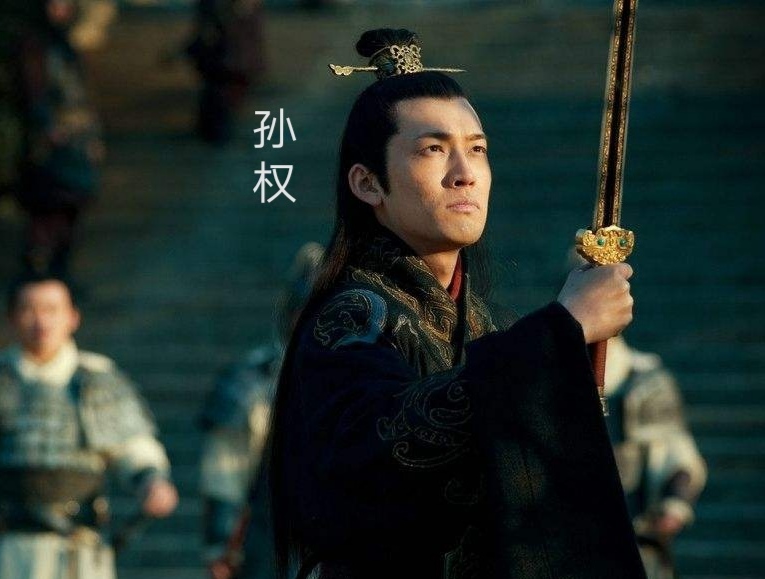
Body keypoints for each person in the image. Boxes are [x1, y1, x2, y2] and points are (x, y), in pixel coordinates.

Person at [267, 29, 647, 578]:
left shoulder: (482, 322)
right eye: (433, 149)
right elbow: (383, 447)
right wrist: (559, 333)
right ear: (369, 183)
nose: (465, 174)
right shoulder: (352, 316)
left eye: (477, 149)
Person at [0, 274, 178, 579]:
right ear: (12, 317)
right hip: (4, 548)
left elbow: (134, 449)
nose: (41, 321)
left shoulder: (98, 380)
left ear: (73, 317)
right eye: (29, 309)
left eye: (51, 310)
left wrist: (151, 481)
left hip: (80, 548)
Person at [199, 242, 323, 579]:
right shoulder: (253, 380)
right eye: (308, 311)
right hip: (268, 537)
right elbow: (225, 471)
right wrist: (221, 543)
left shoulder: (370, 375)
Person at [603, 336, 707, 579]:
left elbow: (677, 454)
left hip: (637, 532)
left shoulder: (646, 379)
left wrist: (674, 503)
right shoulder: (544, 376)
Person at [16, 0, 104, 278]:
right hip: (50, 145)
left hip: (76, 140)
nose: (59, 11)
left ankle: (61, 275)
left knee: (71, 209)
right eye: (54, 4)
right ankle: (40, 279)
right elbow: (33, 93)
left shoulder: (67, 47)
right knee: (47, 212)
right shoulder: (35, 47)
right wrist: (47, 127)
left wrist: (92, 137)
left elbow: (81, 95)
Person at [186, 0, 265, 144]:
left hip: (227, 63)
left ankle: (216, 130)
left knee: (220, 98)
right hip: (227, 62)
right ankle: (215, 130)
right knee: (219, 99)